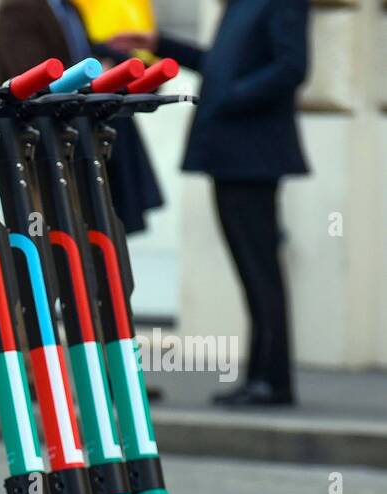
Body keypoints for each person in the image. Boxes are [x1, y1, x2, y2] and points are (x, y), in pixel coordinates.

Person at [107, 0, 311, 408]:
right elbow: (217, 64)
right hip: (231, 155)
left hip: (253, 157)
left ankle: (273, 381)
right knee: (252, 271)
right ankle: (261, 377)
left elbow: (292, 67)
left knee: (260, 271)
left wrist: (228, 98)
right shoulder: (240, 6)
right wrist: (160, 43)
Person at [0, 0, 163, 236]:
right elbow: (32, 81)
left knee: (87, 241)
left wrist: (129, 68)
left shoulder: (68, 9)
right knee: (47, 240)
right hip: (41, 151)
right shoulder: (17, 8)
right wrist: (95, 77)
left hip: (78, 146)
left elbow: (84, 54)